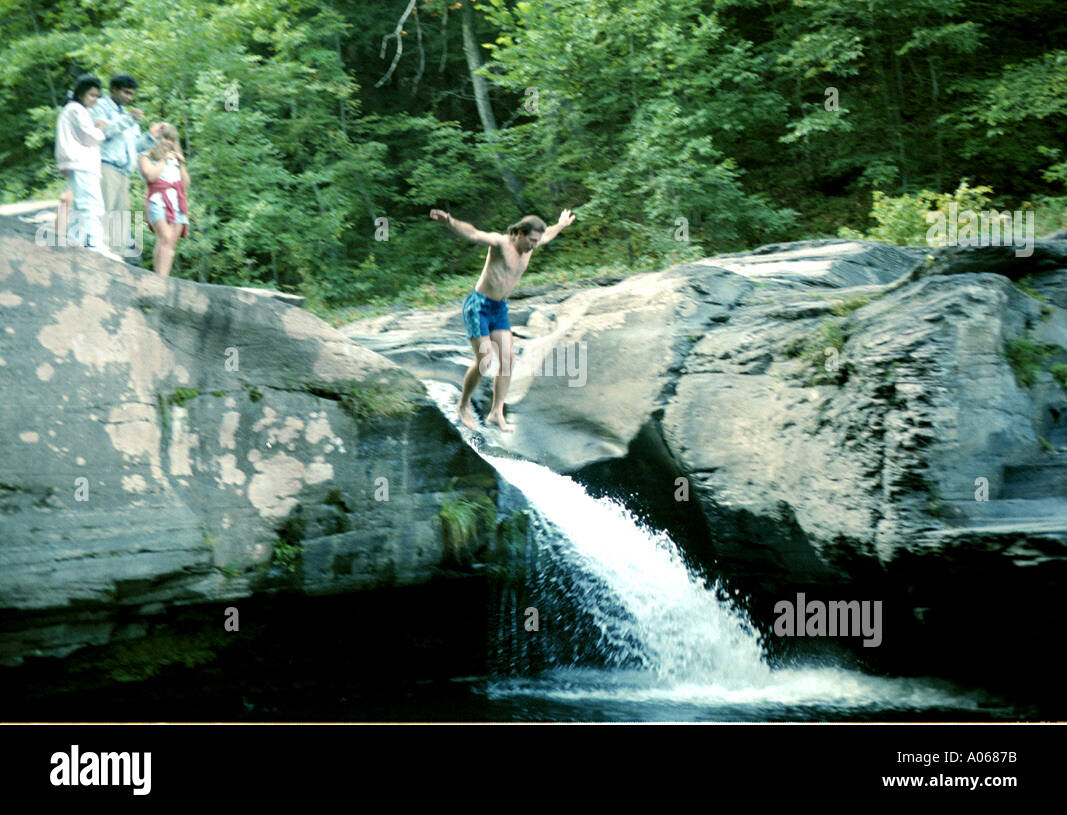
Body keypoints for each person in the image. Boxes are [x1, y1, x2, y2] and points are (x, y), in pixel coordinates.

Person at [430, 208, 576, 432]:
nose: (535, 246)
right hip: (478, 306)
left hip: (499, 308)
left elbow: (548, 235)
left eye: (537, 241)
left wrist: (562, 224)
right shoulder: (500, 243)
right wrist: (449, 221)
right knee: (485, 360)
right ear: (519, 233)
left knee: (508, 359)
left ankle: (496, 412)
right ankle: (463, 405)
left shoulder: (532, 244)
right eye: (531, 241)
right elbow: (474, 234)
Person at [94, 74, 165, 255]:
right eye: (126, 93)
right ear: (114, 90)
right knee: (105, 212)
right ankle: (99, 253)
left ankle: (115, 257)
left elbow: (136, 147)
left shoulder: (127, 115)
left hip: (124, 171)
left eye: (132, 94)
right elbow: (103, 133)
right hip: (106, 166)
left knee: (120, 217)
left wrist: (151, 137)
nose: (129, 98)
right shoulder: (99, 107)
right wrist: (129, 119)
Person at [54, 74, 120, 260]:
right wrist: (99, 129)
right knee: (91, 203)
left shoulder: (74, 110)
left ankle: (76, 239)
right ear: (81, 94)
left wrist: (95, 129)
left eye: (97, 96)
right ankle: (93, 243)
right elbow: (88, 136)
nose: (95, 100)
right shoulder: (76, 109)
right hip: (81, 163)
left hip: (80, 163)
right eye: (92, 95)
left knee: (81, 203)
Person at [137, 125, 190, 277]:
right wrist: (163, 160)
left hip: (177, 202)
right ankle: (159, 278)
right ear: (158, 138)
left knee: (171, 242)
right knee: (164, 237)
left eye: (171, 139)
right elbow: (150, 176)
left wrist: (181, 164)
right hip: (157, 200)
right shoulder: (146, 155)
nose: (167, 142)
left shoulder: (175, 159)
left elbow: (185, 184)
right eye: (165, 138)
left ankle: (163, 278)